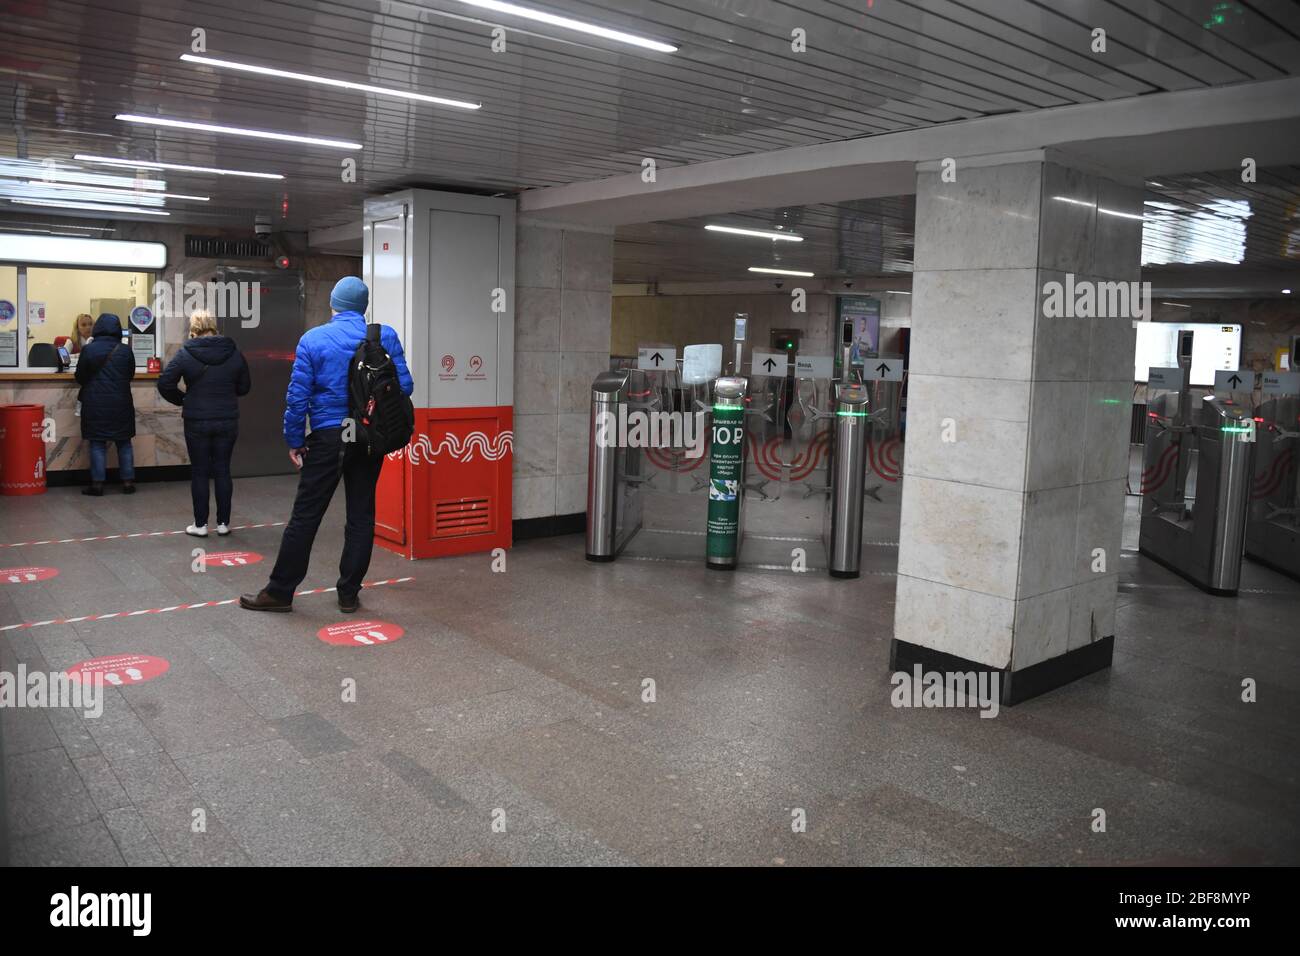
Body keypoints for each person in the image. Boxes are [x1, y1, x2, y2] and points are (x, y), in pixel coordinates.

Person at [241, 276, 412, 615]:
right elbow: (404, 386)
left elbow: (298, 397)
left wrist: (294, 439)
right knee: (361, 516)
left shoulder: (313, 339)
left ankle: (280, 592)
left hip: (329, 436)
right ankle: (348, 593)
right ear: (363, 307)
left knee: (306, 515)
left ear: (333, 304)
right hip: (368, 437)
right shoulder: (384, 336)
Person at [157, 309, 252, 537]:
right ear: (214, 326)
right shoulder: (234, 352)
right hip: (227, 419)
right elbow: (245, 387)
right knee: (222, 469)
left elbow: (165, 383)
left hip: (196, 420)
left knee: (200, 471)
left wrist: (185, 400)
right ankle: (223, 523)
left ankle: (200, 525)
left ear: (193, 328)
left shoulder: (185, 353)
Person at [74, 313, 136, 496]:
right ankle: (127, 482)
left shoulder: (89, 350)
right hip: (121, 403)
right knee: (124, 442)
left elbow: (80, 377)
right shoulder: (125, 350)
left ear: (97, 328)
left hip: (95, 404)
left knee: (97, 443)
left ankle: (98, 485)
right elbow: (130, 374)